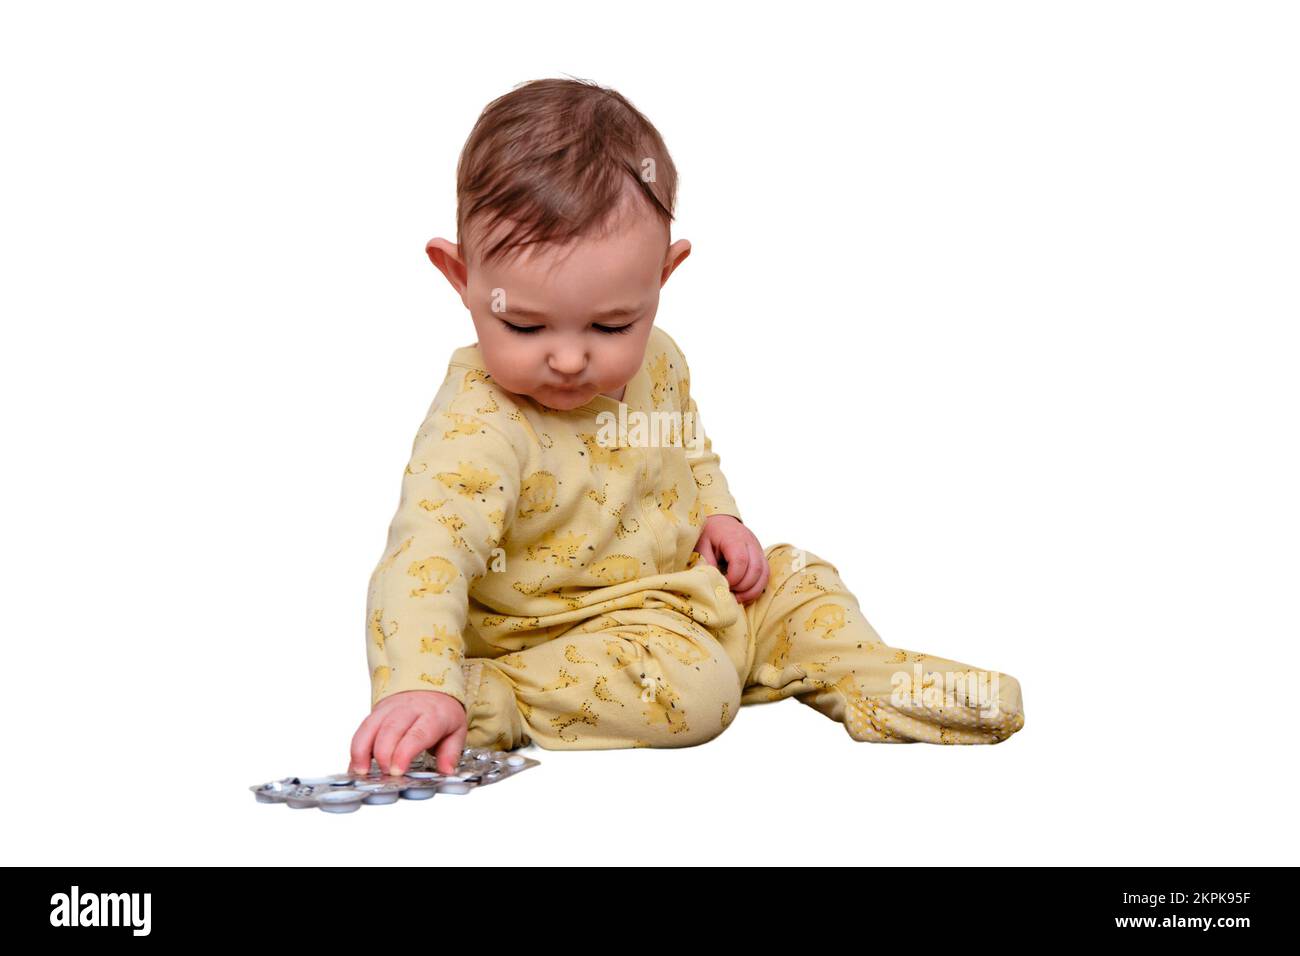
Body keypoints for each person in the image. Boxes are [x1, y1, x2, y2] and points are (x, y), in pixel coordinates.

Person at [348, 78, 1025, 777]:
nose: (571, 358)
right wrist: (417, 681)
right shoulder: (479, 423)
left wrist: (721, 518)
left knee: (798, 577)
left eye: (613, 324)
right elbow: (427, 555)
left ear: (662, 277)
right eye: (523, 324)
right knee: (693, 688)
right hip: (568, 635)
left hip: (688, 592)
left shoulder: (662, 361)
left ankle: (861, 675)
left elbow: (689, 454)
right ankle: (489, 698)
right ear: (460, 276)